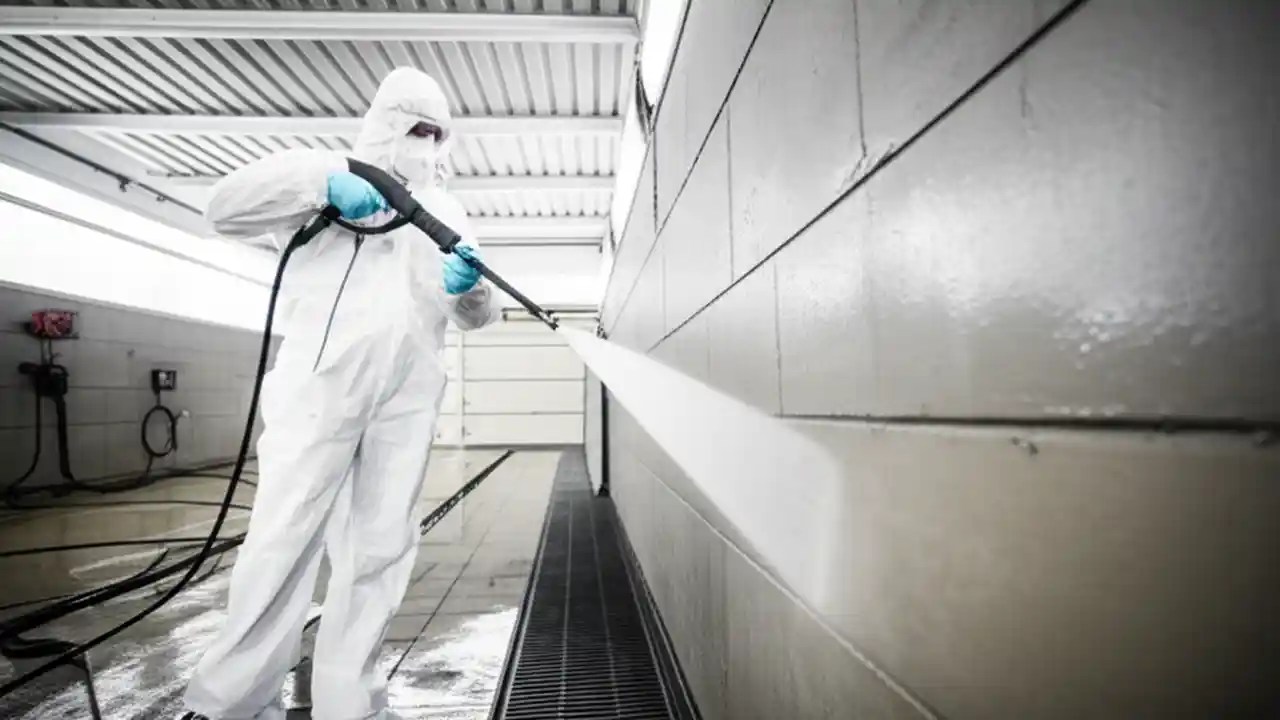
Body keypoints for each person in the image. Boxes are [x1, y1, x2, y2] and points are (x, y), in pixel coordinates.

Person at [179, 67, 499, 720]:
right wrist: (320, 183)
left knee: (379, 553)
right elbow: (222, 209)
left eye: (437, 132)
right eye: (414, 127)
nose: (425, 142)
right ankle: (234, 703)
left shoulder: (449, 210)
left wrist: (471, 286)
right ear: (384, 123)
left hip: (406, 401)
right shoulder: (328, 176)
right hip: (318, 393)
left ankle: (352, 704)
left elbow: (475, 315)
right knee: (282, 543)